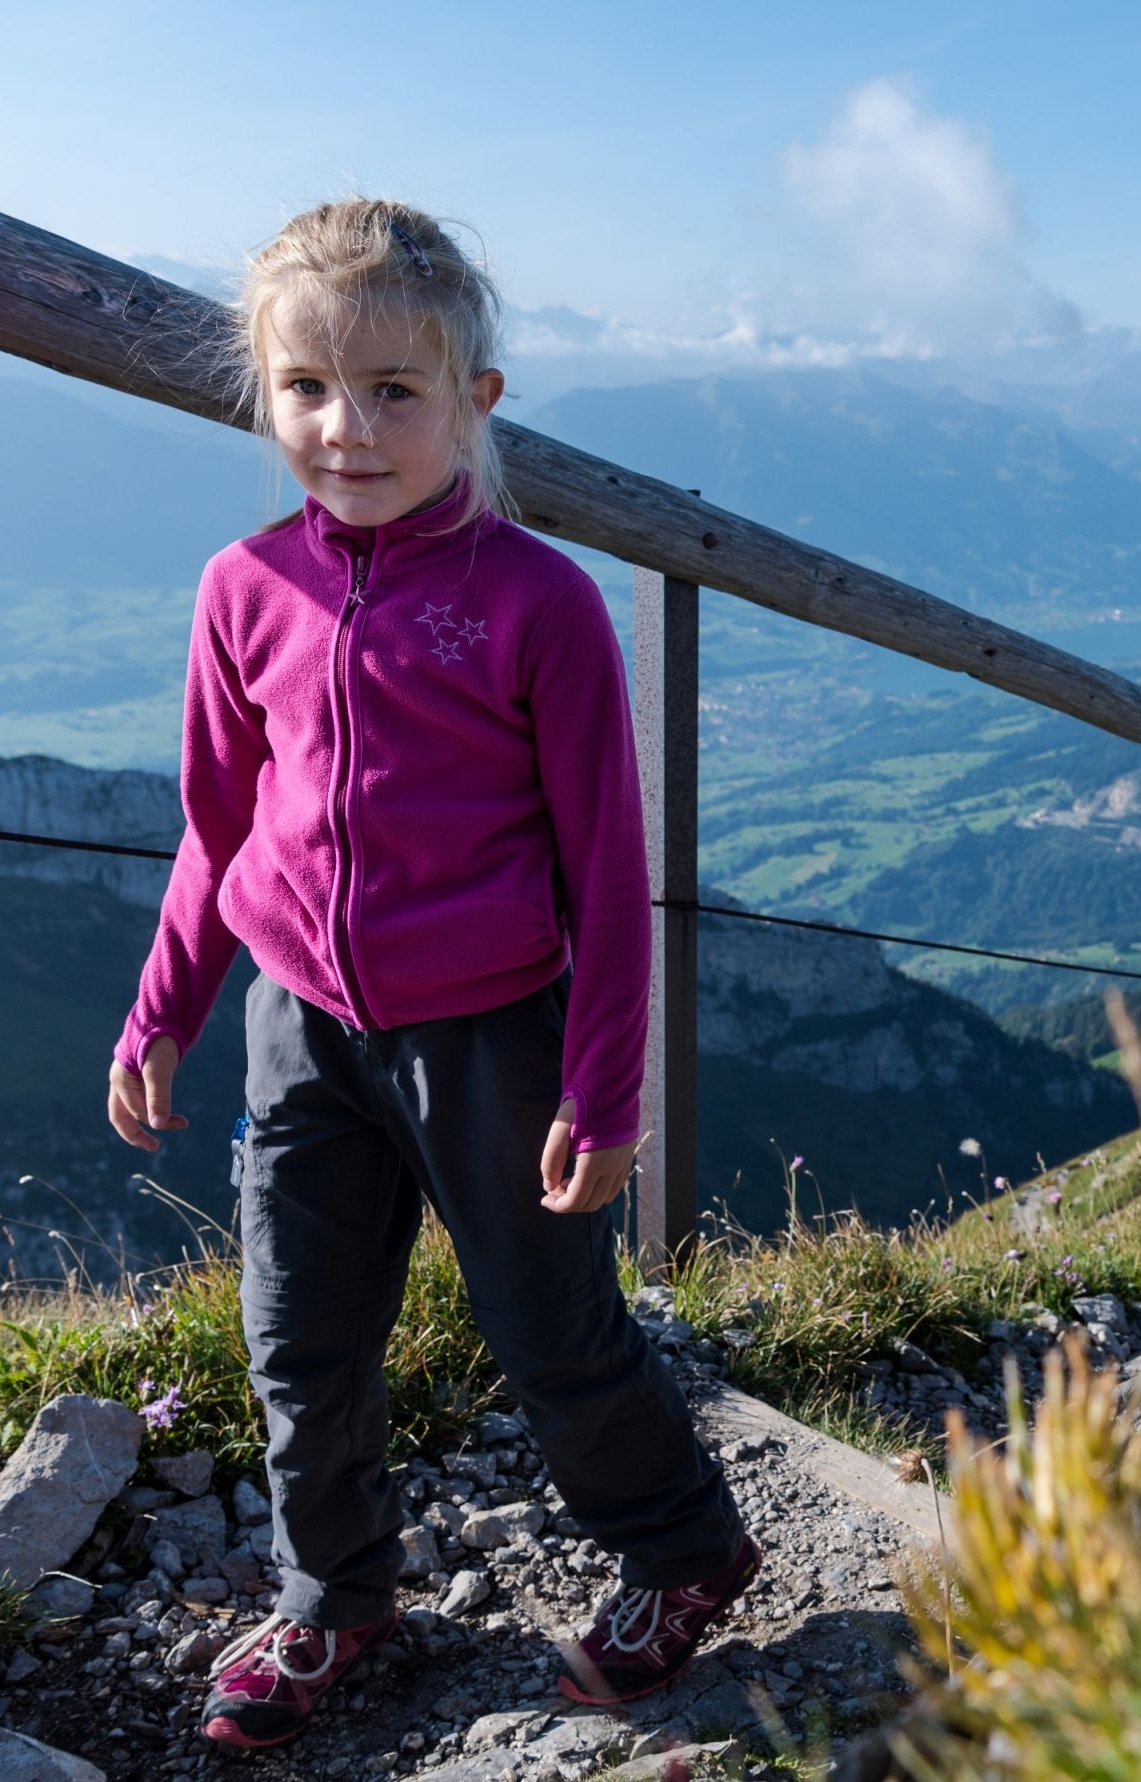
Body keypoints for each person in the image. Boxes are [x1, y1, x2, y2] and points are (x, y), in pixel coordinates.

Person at [104, 201, 755, 1751]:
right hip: (295, 1025)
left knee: (549, 1325)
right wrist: (161, 1006)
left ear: (478, 401)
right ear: (263, 393)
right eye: (308, 387)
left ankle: (684, 1553)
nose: (347, 427)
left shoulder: (539, 601)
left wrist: (607, 1088)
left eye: (397, 389)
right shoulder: (240, 588)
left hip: (490, 1036)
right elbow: (216, 829)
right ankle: (335, 1597)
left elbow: (608, 867)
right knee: (296, 1329)